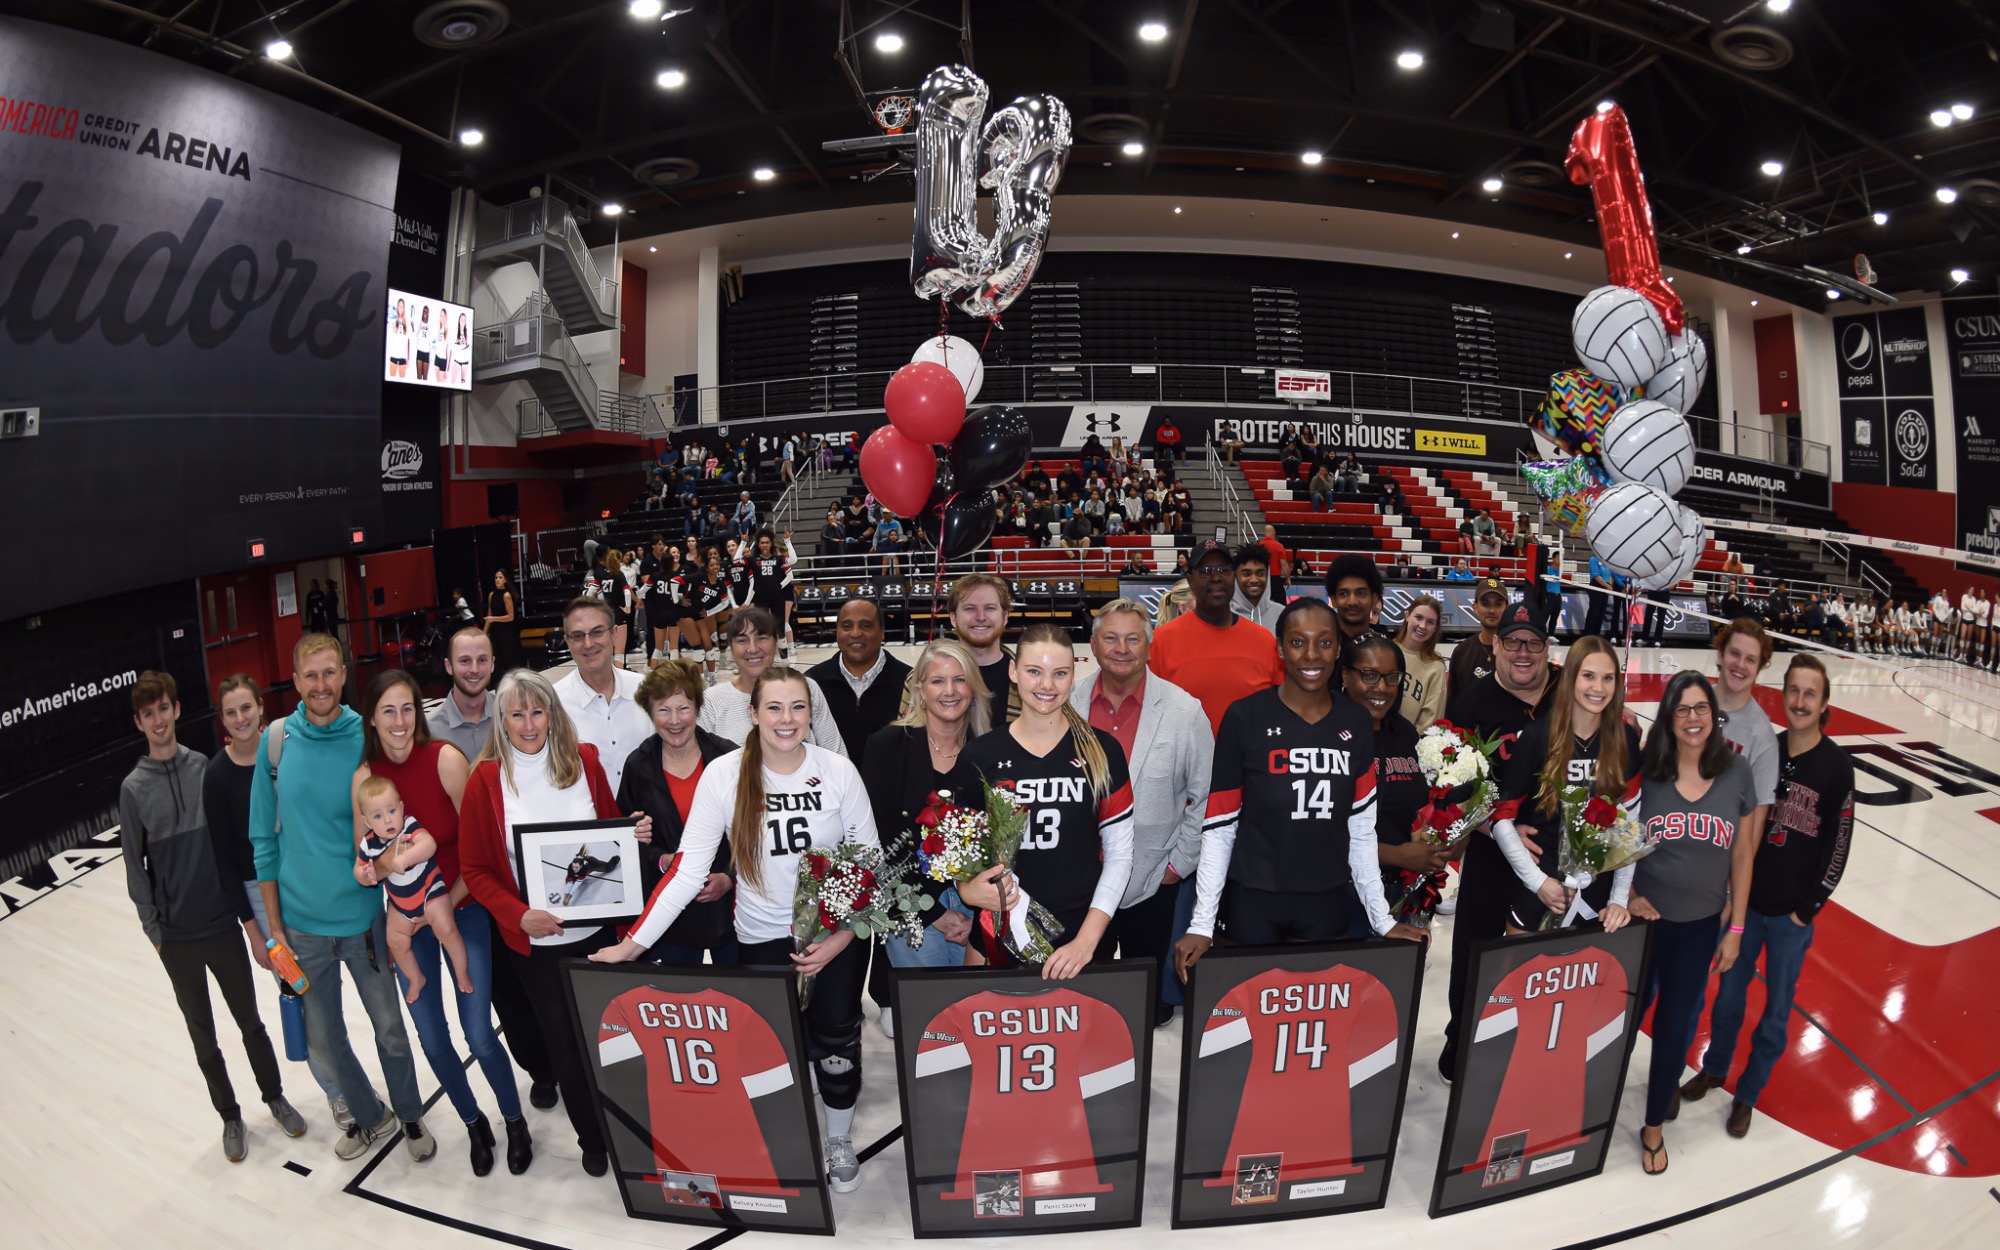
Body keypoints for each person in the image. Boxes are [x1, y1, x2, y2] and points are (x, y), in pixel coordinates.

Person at [591, 668, 878, 1193]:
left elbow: (871, 865)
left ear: (810, 714)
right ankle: (787, 1136)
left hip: (834, 937)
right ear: (753, 714)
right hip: (762, 939)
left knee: (838, 1045)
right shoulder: (724, 774)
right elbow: (686, 872)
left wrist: (839, 940)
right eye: (774, 707)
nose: (787, 719)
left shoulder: (838, 771)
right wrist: (631, 946)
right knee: (773, 1048)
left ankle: (839, 1138)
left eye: (797, 707)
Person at [460, 669, 653, 1177]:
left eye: (537, 711)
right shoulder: (485, 781)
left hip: (598, 934)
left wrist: (632, 833)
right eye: (517, 714)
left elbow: (611, 830)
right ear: (501, 720)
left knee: (612, 1036)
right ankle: (593, 1137)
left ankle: (633, 1123)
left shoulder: (583, 760)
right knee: (565, 1045)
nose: (528, 725)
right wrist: (517, 915)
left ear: (552, 714)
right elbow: (475, 869)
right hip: (538, 944)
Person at [249, 635, 430, 1162]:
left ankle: (411, 1116)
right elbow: (263, 840)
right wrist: (274, 927)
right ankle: (370, 1115)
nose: (321, 685)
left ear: (345, 674)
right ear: (295, 679)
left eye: (330, 673)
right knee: (323, 1041)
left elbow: (396, 818)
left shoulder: (363, 737)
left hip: (362, 920)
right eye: (311, 675)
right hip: (301, 928)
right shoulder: (276, 742)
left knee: (390, 1030)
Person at [1175, 603, 1426, 976]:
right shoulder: (1244, 717)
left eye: (1324, 642)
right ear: (1279, 648)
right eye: (1297, 642)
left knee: (1311, 1008)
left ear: (1338, 649)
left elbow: (1360, 830)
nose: (1311, 655)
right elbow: (1220, 827)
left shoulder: (1356, 721)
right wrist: (1202, 923)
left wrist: (1381, 918)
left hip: (1326, 901)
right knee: (1245, 1008)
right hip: (1251, 899)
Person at [352, 670, 531, 1175]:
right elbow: (365, 862)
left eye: (407, 708)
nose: (400, 721)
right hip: (408, 924)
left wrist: (444, 905)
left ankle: (514, 1120)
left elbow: (481, 851)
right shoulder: (365, 780)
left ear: (420, 712)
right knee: (432, 1039)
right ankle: (473, 1123)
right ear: (372, 719)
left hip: (461, 910)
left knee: (479, 1034)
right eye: (388, 711)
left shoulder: (447, 760)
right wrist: (392, 888)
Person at [123, 672, 302, 1163]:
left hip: (222, 925)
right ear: (139, 723)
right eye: (148, 714)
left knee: (250, 1022)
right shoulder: (133, 789)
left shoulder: (203, 767)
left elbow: (226, 845)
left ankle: (275, 1097)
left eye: (164, 709)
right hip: (176, 939)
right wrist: (156, 934)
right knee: (203, 1035)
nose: (159, 720)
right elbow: (135, 869)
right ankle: (230, 1117)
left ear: (177, 710)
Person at [1681, 654, 1853, 1139]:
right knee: (1728, 997)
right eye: (1793, 690)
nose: (1800, 701)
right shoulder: (1768, 750)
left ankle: (1749, 1093)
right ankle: (1715, 1069)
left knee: (1776, 1010)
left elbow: (1839, 844)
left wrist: (1808, 909)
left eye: (1810, 694)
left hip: (1791, 917)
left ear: (1824, 703)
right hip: (1749, 906)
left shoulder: (1837, 767)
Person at [1628, 671, 1760, 1176]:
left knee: (1673, 1028)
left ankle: (1653, 1127)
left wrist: (1737, 929)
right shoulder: (1647, 771)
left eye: (1701, 707)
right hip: (1642, 924)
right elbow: (1616, 836)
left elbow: (1743, 855)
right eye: (1681, 709)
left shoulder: (1736, 772)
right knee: (1623, 1018)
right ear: (1668, 717)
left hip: (1699, 927)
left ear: (1714, 714)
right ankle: (1593, 1101)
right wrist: (1631, 896)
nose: (1692, 718)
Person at [423, 628, 558, 1114]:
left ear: (493, 663)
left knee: (550, 984)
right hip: (477, 889)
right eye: (464, 660)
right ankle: (541, 1071)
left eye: (482, 659)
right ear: (448, 666)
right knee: (507, 994)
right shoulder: (431, 731)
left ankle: (568, 1059)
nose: (474, 668)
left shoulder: (519, 709)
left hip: (536, 880)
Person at [208, 674, 347, 1121]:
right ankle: (337, 1093)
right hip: (259, 895)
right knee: (301, 995)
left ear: (260, 708)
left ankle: (352, 1081)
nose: (240, 718)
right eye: (231, 712)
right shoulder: (217, 776)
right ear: (222, 720)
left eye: (246, 707)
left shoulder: (285, 748)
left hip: (304, 880)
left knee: (328, 994)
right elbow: (225, 863)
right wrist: (255, 932)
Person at [961, 625, 1135, 977]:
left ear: (1073, 675)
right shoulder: (980, 755)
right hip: (1001, 934)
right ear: (1013, 671)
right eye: (1034, 671)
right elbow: (962, 852)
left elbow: (1120, 857)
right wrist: (966, 890)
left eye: (1059, 673)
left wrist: (1085, 942)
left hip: (1081, 943)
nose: (1047, 685)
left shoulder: (1103, 752)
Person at [1072, 600, 1213, 1026]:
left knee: (1148, 1007)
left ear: (1150, 647)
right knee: (1086, 1000)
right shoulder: (1067, 704)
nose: (1122, 648)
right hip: (1083, 879)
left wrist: (1177, 866)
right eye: (1111, 638)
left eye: (1133, 639)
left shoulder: (1184, 710)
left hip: (1152, 879)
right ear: (1093, 644)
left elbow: (1206, 796)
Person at [1436, 603, 1561, 1080]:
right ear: (1496, 645)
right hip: (1491, 850)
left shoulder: (1568, 694)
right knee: (1475, 949)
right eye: (1513, 642)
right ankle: (1461, 1038)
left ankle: (1533, 1042)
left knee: (1544, 957)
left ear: (1547, 647)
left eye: (1533, 642)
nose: (1523, 652)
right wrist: (1491, 825)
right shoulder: (1472, 704)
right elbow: (1450, 784)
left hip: (1553, 853)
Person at [868, 641, 1011, 992]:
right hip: (910, 906)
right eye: (937, 681)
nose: (950, 691)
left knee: (971, 1009)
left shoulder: (994, 750)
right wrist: (933, 914)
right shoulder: (885, 746)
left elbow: (1003, 838)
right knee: (926, 1011)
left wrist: (979, 907)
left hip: (979, 908)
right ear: (920, 690)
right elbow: (876, 842)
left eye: (959, 680)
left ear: (973, 689)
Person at [1490, 637, 1642, 932]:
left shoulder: (1624, 741)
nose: (1599, 688)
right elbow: (1501, 820)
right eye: (1589, 676)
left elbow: (1630, 827)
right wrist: (1538, 882)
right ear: (1571, 677)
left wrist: (1618, 899)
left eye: (1608, 678)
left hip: (1597, 900)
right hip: (1539, 892)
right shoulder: (1537, 736)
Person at [614, 661, 739, 967]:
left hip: (732, 912)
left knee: (741, 993)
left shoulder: (729, 758)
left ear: (697, 708)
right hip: (669, 920)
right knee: (679, 993)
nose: (674, 721)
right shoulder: (638, 766)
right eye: (663, 710)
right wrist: (661, 860)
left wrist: (730, 877)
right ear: (650, 713)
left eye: (683, 708)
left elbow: (756, 834)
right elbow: (623, 842)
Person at [1340, 632, 1453, 934]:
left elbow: (1418, 808)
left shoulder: (1405, 733)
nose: (1381, 687)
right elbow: (1317, 832)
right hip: (1344, 896)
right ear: (1346, 676)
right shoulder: (1327, 735)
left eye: (1392, 677)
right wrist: (1397, 854)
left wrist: (1439, 843)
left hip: (1402, 893)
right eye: (1369, 675)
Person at [350, 776, 468, 1006]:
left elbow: (429, 844)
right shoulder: (369, 843)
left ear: (401, 808)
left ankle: (461, 971)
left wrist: (405, 858)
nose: (387, 819)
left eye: (391, 810)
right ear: (367, 821)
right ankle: (416, 978)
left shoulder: (407, 826)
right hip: (401, 903)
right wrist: (365, 875)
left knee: (446, 928)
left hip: (429, 891)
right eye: (377, 816)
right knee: (395, 941)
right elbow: (358, 868)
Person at [1149, 540, 1284, 734]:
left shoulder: (1264, 640)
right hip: (1182, 754)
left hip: (1249, 753)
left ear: (1233, 576)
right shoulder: (1161, 641)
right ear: (1190, 580)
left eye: (1223, 570)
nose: (1216, 577)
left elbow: (1280, 710)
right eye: (1206, 571)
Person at [699, 606, 846, 751]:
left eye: (761, 638)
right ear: (731, 646)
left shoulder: (806, 688)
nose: (753, 648)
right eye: (742, 640)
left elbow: (837, 754)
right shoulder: (711, 701)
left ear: (776, 642)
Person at [554, 597, 651, 798]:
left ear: (614, 634)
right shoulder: (553, 703)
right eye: (578, 636)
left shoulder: (647, 691)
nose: (588, 644)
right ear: (568, 642)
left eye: (597, 632)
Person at [807, 599, 912, 765]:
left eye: (865, 626)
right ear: (837, 632)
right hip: (831, 780)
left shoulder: (911, 682)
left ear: (882, 632)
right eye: (846, 626)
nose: (855, 633)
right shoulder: (812, 683)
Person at [1713, 618, 1780, 858]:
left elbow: (1755, 825)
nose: (1740, 665)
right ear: (1720, 655)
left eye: (1750, 659)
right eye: (1735, 653)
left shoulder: (1763, 738)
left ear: (1759, 668)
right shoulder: (1690, 702)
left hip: (1716, 863)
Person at [949, 574, 1019, 726]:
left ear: (1005, 617)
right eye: (970, 609)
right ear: (953, 618)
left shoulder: (1029, 680)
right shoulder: (925, 678)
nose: (980, 617)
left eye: (990, 608)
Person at [1447, 577, 1509, 702]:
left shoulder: (1515, 652)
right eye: (1485, 604)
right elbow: (1453, 702)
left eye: (1498, 604)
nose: (1492, 610)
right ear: (1475, 607)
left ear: (1506, 608)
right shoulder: (1461, 652)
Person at [1394, 594, 1448, 731]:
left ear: (1436, 627)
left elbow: (1430, 721)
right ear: (1407, 616)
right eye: (1418, 617)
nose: (1422, 626)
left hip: (1409, 742)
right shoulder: (1387, 650)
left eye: (1430, 622)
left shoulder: (1436, 668)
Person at [1323, 553, 1383, 644]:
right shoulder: (1322, 647)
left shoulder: (1386, 647)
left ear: (1374, 599)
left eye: (1361, 593)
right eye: (1344, 594)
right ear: (1333, 600)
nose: (1352, 602)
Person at [1230, 546, 1283, 632]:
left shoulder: (1282, 614)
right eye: (1247, 574)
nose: (1254, 580)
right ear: (1235, 576)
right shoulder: (1223, 615)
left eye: (1260, 574)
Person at [483, 569, 521, 676]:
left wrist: (493, 619)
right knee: (497, 660)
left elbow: (510, 617)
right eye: (496, 578)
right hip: (495, 632)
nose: (497, 580)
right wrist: (483, 633)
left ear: (505, 580)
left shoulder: (506, 595)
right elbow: (489, 616)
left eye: (500, 577)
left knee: (508, 659)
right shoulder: (491, 595)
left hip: (506, 632)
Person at [1257, 524, 1290, 595]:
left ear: (1264, 533)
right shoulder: (1279, 546)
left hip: (1262, 578)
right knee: (1280, 600)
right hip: (1275, 578)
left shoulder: (1258, 546)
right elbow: (1284, 564)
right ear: (1273, 533)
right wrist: (1288, 578)